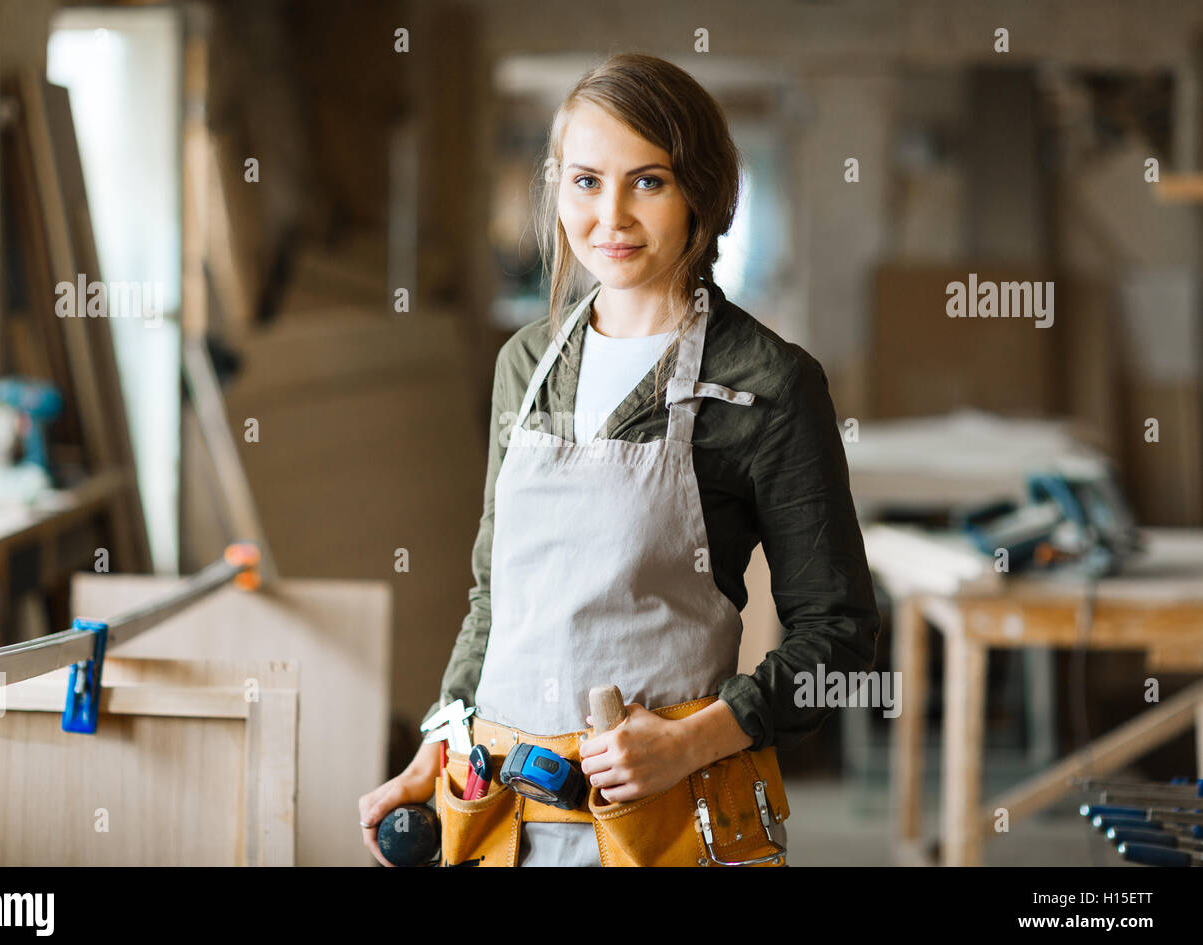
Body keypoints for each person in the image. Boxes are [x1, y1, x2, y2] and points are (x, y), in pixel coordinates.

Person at [359, 51, 880, 867]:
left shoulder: (766, 384)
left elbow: (838, 638)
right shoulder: (525, 365)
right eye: (585, 181)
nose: (611, 218)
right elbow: (495, 599)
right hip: (499, 815)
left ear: (702, 191)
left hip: (665, 821)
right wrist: (440, 738)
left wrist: (693, 740)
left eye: (649, 181)